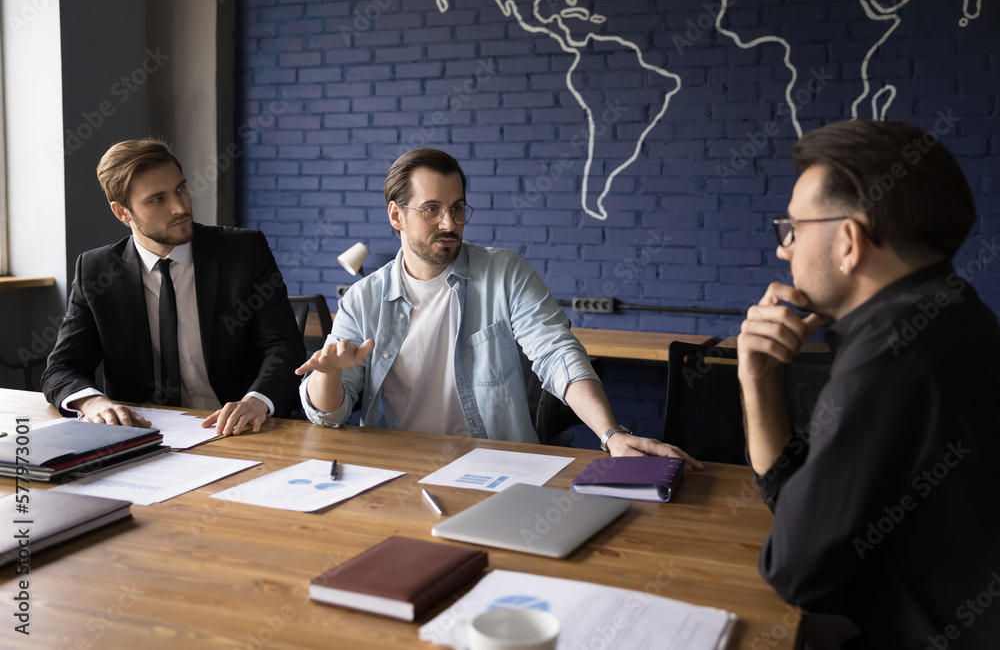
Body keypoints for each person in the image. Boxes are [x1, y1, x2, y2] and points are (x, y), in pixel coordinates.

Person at [737, 119, 1000, 648]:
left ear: (849, 242)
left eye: (792, 229)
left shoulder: (893, 352)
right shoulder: (953, 312)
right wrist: (758, 380)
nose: (783, 250)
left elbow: (793, 571)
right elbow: (796, 506)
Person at [297, 147, 700, 464]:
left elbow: (557, 352)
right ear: (396, 216)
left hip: (495, 465)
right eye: (432, 209)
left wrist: (612, 435)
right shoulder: (364, 298)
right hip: (399, 466)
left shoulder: (505, 272)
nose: (449, 223)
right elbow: (329, 415)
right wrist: (328, 375)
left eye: (457, 208)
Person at [42, 139, 306, 436]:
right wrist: (93, 403)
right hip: (143, 437)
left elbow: (285, 347)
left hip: (239, 431)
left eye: (181, 188)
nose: (180, 207)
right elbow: (62, 368)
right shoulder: (96, 271)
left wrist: (257, 401)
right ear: (122, 213)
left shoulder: (244, 251)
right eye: (157, 199)